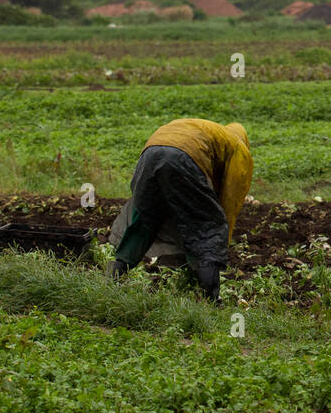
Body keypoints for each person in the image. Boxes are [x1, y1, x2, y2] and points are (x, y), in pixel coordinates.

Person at [107, 118, 253, 303]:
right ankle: (211, 299)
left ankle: (111, 279)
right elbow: (230, 201)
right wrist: (220, 241)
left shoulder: (210, 132)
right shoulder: (238, 148)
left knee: (144, 220)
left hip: (150, 153)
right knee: (207, 227)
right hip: (184, 157)